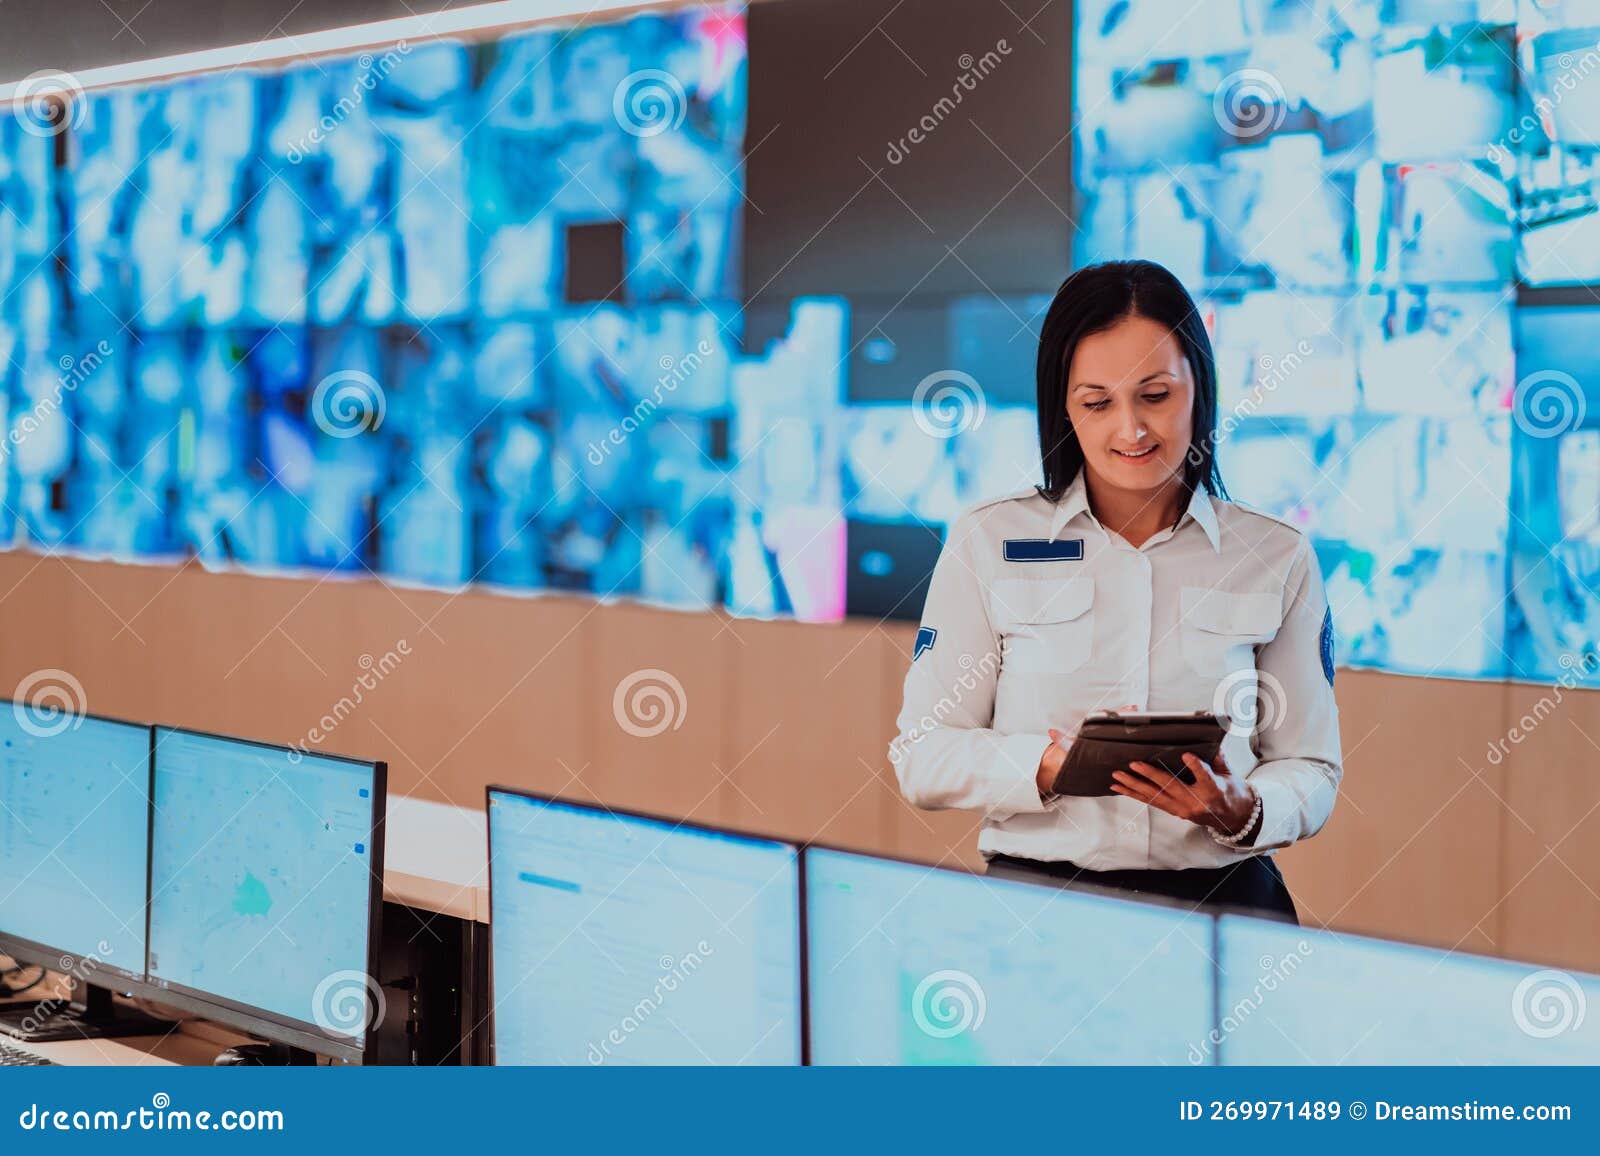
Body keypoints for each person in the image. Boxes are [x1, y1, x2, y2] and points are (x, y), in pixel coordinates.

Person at [888, 259, 1342, 922]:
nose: (1130, 430)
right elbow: (922, 755)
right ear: (1063, 408)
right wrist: (1049, 765)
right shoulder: (989, 541)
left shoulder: (1276, 555)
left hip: (1227, 908)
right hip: (1039, 906)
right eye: (1097, 403)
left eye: (1155, 396)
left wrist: (1245, 809)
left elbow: (1311, 767)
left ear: (1200, 388)